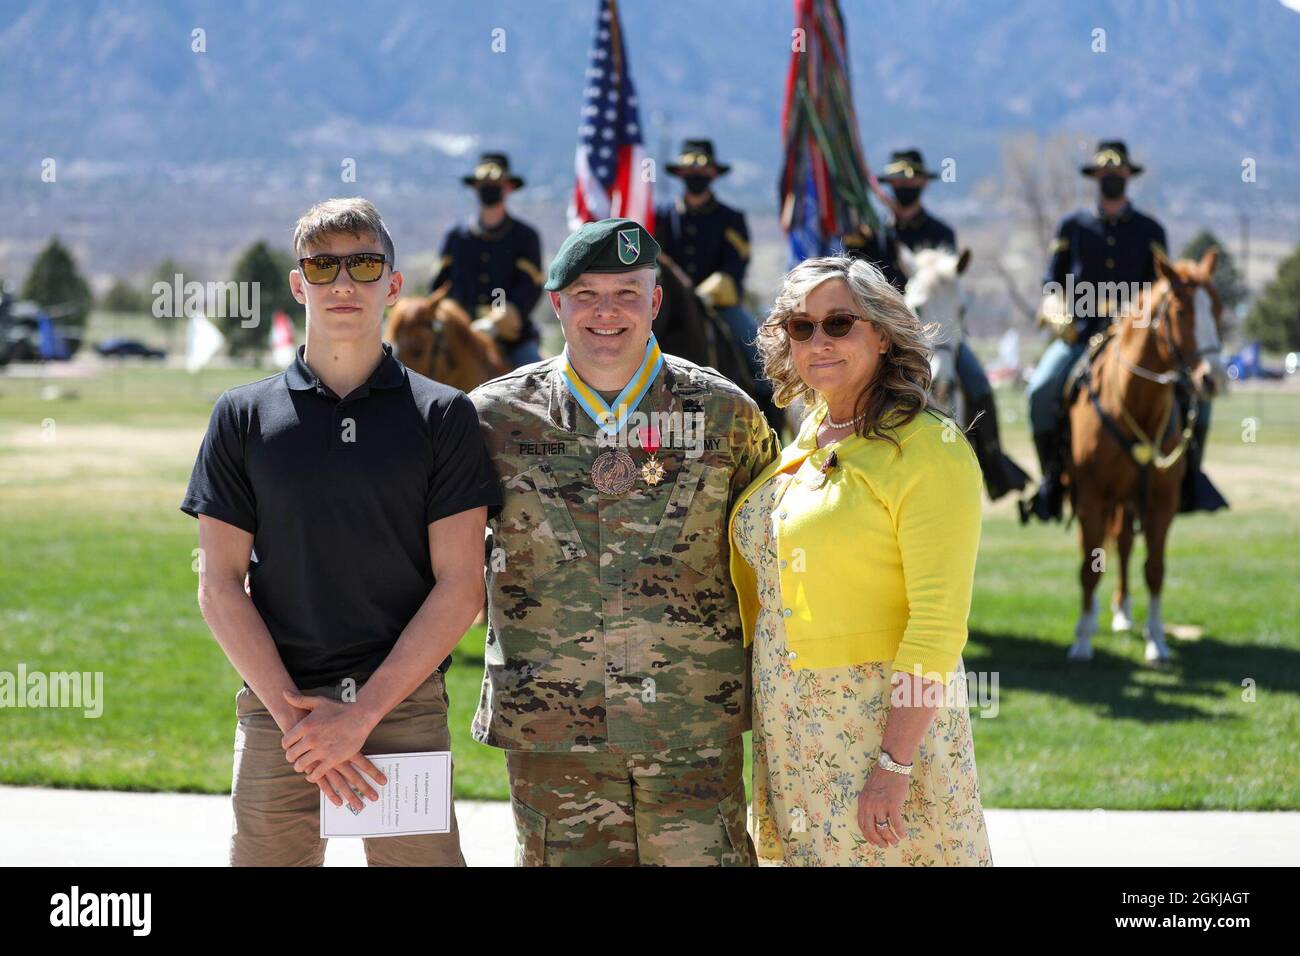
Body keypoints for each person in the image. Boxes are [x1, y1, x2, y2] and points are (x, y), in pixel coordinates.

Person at [182, 197, 501, 866]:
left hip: (402, 705)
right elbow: (217, 582)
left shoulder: (443, 417)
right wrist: (300, 722)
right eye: (323, 267)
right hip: (280, 711)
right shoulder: (242, 416)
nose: (344, 283)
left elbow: (462, 586)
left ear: (392, 283)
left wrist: (358, 718)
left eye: (363, 263)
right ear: (298, 284)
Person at [469, 217, 780, 866]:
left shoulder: (725, 417)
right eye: (585, 294)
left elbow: (775, 567)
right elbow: (443, 563)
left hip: (690, 730)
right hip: (555, 741)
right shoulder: (490, 421)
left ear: (656, 302)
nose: (605, 312)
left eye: (626, 293)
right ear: (555, 304)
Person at [730, 254, 993, 866]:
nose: (818, 341)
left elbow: (937, 625)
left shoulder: (930, 449)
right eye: (801, 327)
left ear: (881, 332)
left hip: (877, 731)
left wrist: (893, 764)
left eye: (839, 323)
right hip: (795, 729)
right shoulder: (809, 433)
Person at [1022, 140, 1223, 522]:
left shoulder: (1151, 230)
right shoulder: (1072, 226)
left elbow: (1166, 287)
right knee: (1040, 390)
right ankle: (1052, 480)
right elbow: (1052, 279)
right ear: (1096, 177)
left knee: (1199, 393)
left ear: (1129, 176)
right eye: (1105, 173)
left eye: (1118, 173)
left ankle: (1192, 476)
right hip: (1080, 336)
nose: (1112, 178)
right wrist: (1054, 307)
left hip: (1142, 341)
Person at [880, 147, 1026, 500]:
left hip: (936, 336)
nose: (906, 186)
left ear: (924, 184)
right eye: (900, 181)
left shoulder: (940, 231)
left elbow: (946, 291)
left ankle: (994, 466)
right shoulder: (877, 234)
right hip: (885, 335)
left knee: (977, 384)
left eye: (912, 180)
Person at [653, 139, 769, 401]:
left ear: (714, 174)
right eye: (690, 172)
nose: (696, 177)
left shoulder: (731, 218)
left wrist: (703, 294)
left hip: (720, 304)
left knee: (760, 359)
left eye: (702, 172)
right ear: (680, 174)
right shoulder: (661, 216)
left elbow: (735, 265)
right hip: (667, 305)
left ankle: (768, 411)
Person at [430, 152, 545, 367]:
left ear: (509, 187)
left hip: (511, 339)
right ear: (474, 187)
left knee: (537, 386)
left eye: (496, 184)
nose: (489, 189)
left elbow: (530, 288)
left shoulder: (526, 236)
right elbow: (438, 286)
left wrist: (496, 322)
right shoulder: (455, 236)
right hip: (457, 334)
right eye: (484, 184)